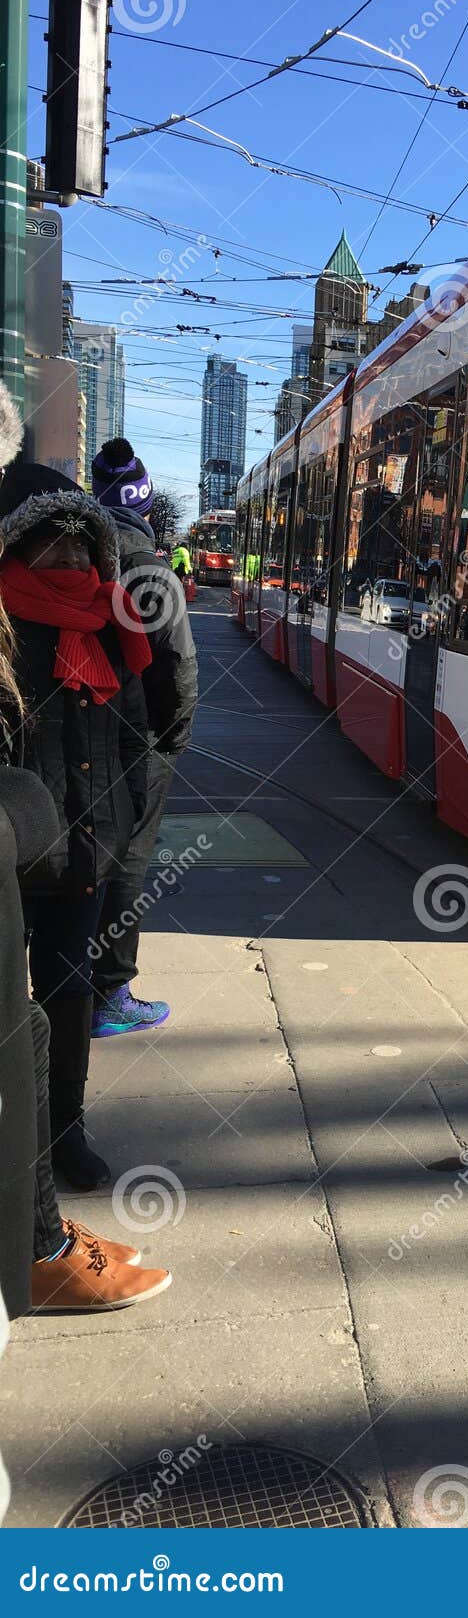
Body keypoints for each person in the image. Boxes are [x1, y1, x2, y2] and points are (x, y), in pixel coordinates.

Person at [0, 467, 151, 1191]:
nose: (70, 557)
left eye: (81, 545)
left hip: (87, 850)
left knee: (70, 993)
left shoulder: (112, 625)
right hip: (10, 858)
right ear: (17, 549)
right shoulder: (3, 627)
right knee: (8, 1004)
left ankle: (65, 1133)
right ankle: (15, 1139)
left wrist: (125, 819)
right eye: (52, 543)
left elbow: (135, 734)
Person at [88, 439, 198, 1036]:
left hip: (75, 732)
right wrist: (170, 739)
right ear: (145, 505)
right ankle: (111, 992)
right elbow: (178, 671)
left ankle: (62, 983)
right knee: (130, 856)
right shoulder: (151, 571)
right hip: (139, 738)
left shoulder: (74, 556)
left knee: (76, 853)